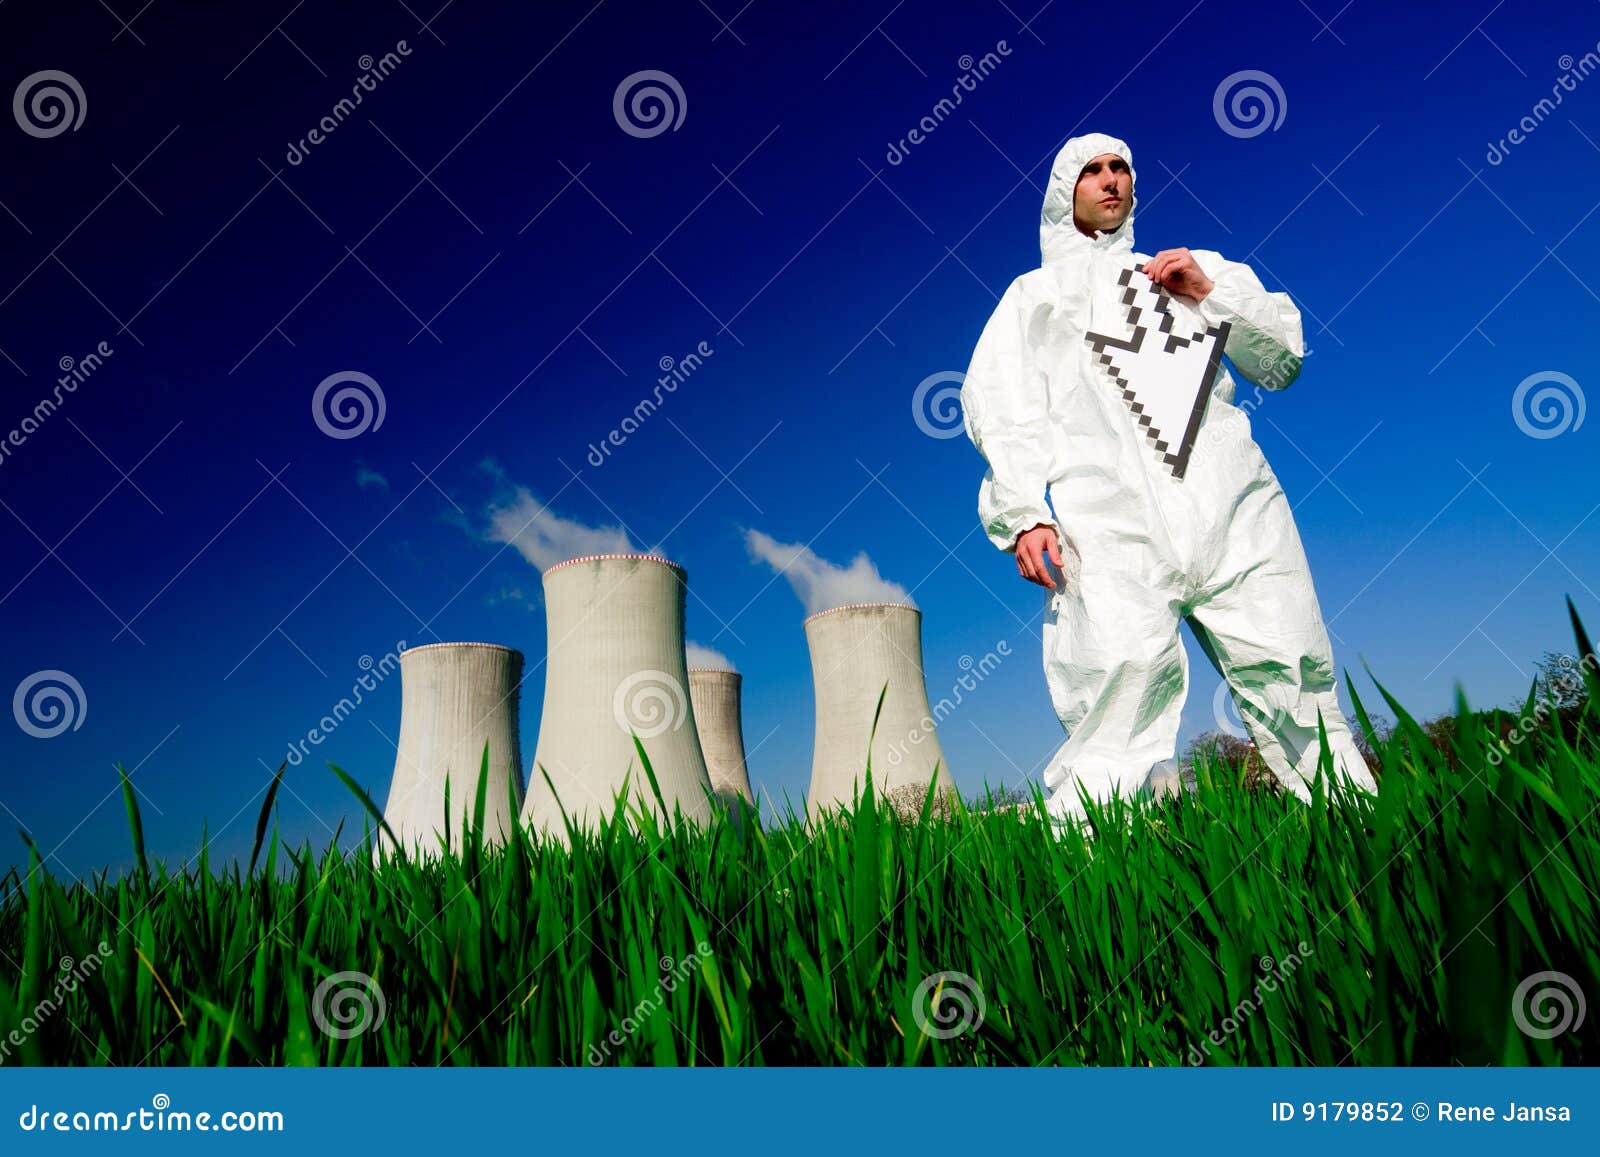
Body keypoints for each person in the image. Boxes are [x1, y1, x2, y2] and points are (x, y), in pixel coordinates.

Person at [959, 131, 1378, 828]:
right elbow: (1004, 406)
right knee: (1117, 683)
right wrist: (1023, 511)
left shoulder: (1185, 271)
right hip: (1109, 519)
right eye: (1091, 171)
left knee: (1291, 663)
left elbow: (1282, 361)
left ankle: (1363, 830)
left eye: (1120, 167)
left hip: (1232, 505)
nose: (1109, 180)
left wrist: (1209, 295)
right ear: (1066, 194)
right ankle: (1084, 871)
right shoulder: (1033, 297)